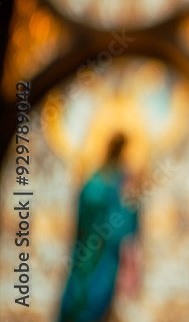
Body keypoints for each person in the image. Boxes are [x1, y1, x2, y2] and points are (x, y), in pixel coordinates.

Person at [59, 133, 140, 322]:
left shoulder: (98, 180)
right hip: (98, 253)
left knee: (87, 295)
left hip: (95, 251)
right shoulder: (109, 184)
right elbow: (120, 226)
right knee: (90, 295)